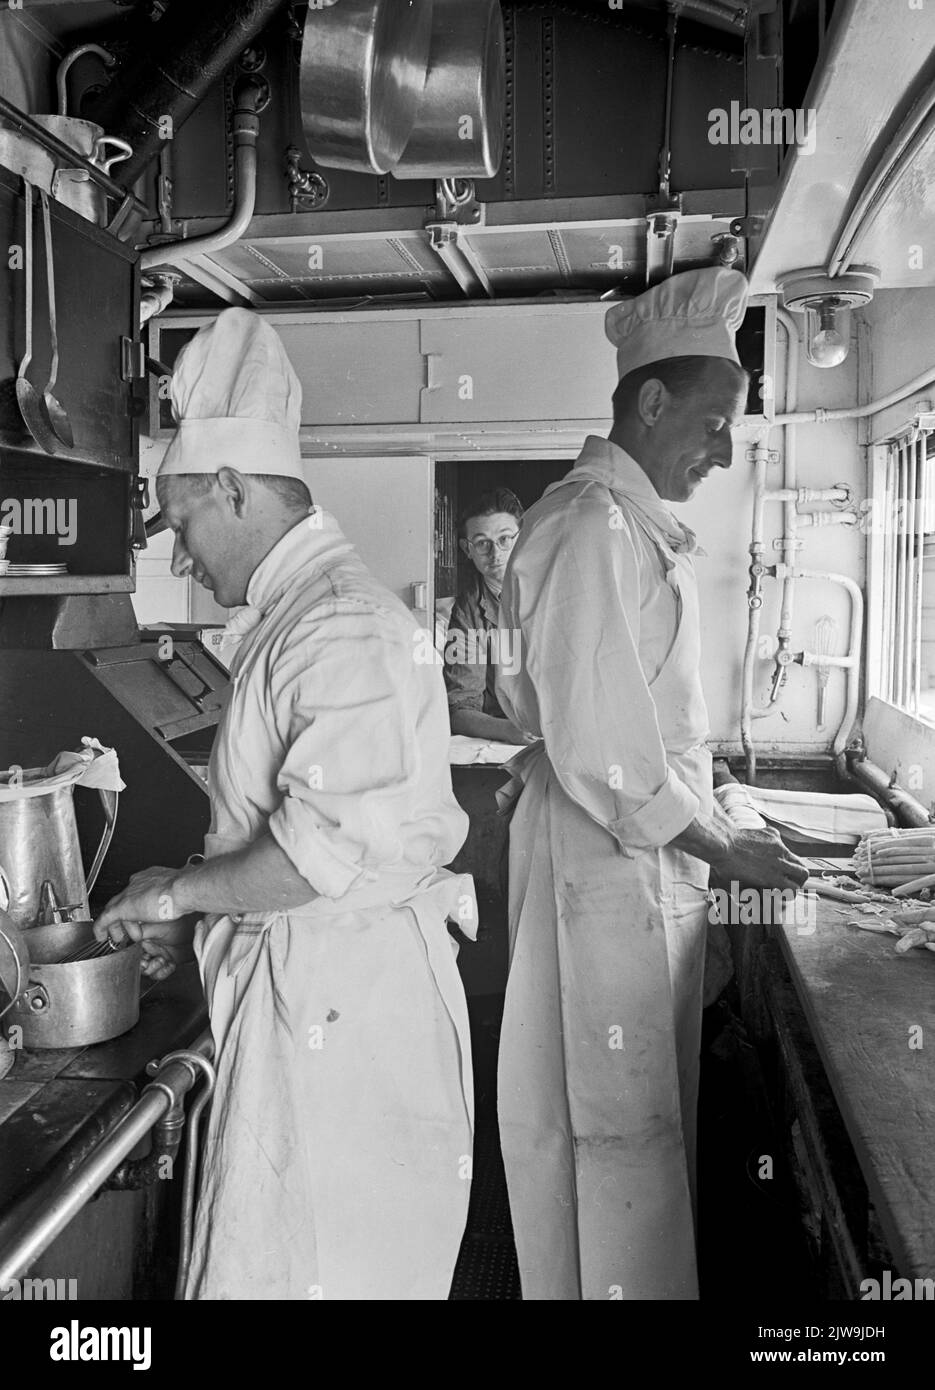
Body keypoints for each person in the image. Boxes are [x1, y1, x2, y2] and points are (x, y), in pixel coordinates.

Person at [94, 309, 477, 1301]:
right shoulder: (301, 616)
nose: (180, 555)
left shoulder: (337, 624)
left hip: (339, 1028)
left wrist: (178, 897)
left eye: (181, 526)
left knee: (313, 1274)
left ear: (231, 488)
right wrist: (194, 905)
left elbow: (317, 858)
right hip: (323, 1002)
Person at [494, 267, 808, 1301]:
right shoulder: (584, 525)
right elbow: (601, 746)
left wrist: (723, 817)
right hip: (599, 874)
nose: (723, 451)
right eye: (714, 423)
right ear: (650, 400)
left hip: (636, 874)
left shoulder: (635, 530)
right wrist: (726, 846)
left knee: (634, 1137)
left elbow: (659, 733)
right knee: (603, 1136)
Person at [444, 488, 529, 743]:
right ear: (467, 549)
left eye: (505, 539)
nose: (496, 553)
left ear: (523, 538)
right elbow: (459, 709)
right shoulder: (468, 610)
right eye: (482, 543)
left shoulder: (556, 591)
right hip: (503, 741)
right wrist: (510, 731)